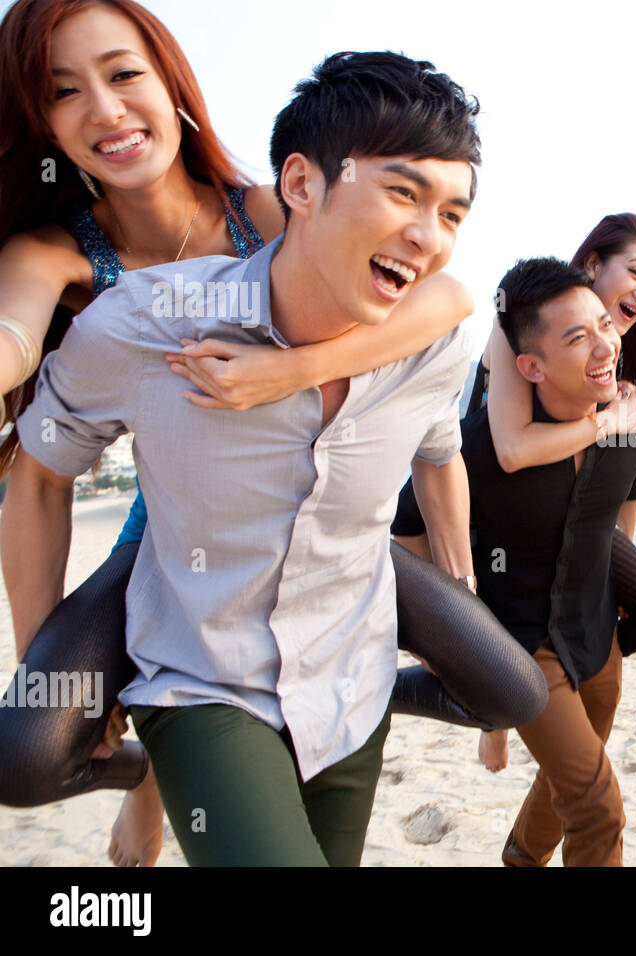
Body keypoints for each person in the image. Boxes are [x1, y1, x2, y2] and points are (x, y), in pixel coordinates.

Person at [0, 0, 543, 866]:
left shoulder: (408, 308)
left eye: (124, 73)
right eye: (66, 91)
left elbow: (443, 371)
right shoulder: (120, 304)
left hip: (348, 633)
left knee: (511, 686)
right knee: (25, 751)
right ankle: (147, 777)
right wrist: (73, 675)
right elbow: (26, 402)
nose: (105, 109)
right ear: (301, 186)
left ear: (169, 83)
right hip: (191, 596)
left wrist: (290, 373)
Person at [398, 257, 636, 865]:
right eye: (577, 337)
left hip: (597, 637)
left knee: (574, 772)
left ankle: (520, 858)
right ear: (531, 367)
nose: (604, 344)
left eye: (603, 325)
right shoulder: (481, 446)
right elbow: (410, 528)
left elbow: (622, 516)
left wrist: (620, 593)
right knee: (598, 808)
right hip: (523, 645)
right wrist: (443, 641)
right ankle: (450, 702)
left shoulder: (632, 424)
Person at [467, 213, 636, 771]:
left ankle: (575, 662)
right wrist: (607, 418)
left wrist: (610, 575)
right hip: (507, 495)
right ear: (595, 263)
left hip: (581, 508)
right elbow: (511, 448)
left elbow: (627, 479)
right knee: (504, 609)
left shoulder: (613, 352)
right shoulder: (524, 318)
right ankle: (502, 707)